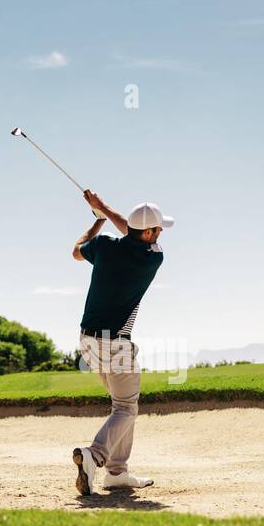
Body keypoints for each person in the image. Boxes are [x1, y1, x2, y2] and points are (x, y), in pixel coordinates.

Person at [69, 188, 172, 496]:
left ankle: (117, 473)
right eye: (158, 229)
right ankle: (94, 456)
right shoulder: (153, 257)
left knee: (121, 406)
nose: (160, 234)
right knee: (127, 407)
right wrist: (105, 209)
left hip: (88, 341)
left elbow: (76, 250)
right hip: (115, 343)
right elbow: (131, 229)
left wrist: (98, 218)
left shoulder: (102, 246)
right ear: (151, 232)